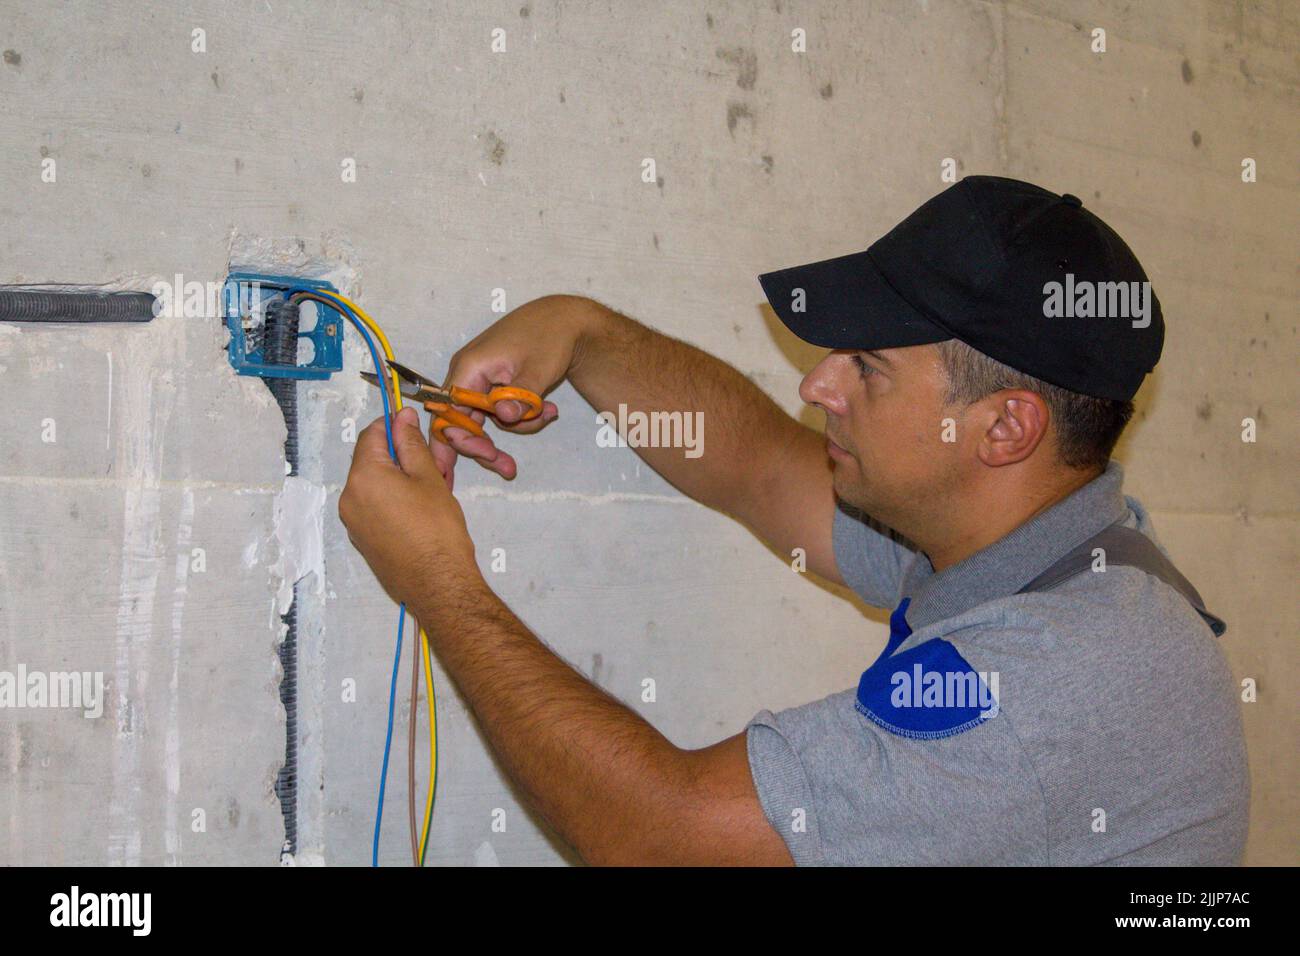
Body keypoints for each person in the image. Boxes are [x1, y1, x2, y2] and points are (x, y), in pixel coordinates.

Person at [339, 175, 1249, 865]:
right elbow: (764, 472)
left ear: (1005, 428)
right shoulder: (1029, 548)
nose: (817, 384)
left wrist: (439, 583)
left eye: (867, 366)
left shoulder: (1062, 674)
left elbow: (666, 837)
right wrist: (583, 335)